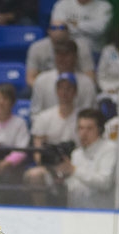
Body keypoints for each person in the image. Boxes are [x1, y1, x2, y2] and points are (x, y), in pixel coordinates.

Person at [24, 71, 80, 207]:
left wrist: (70, 167)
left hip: (76, 166)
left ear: (75, 92)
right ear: (56, 91)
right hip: (49, 166)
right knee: (34, 175)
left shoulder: (82, 117)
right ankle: (41, 211)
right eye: (61, 88)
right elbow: (38, 153)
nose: (65, 92)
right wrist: (54, 168)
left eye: (69, 88)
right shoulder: (44, 117)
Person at [58, 107, 117, 209]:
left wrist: (74, 170)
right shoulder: (76, 153)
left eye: (89, 128)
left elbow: (104, 182)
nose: (84, 133)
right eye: (81, 128)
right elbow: (74, 185)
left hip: (102, 215)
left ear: (100, 130)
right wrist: (62, 179)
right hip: (75, 214)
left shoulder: (110, 149)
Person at [28, 39, 95, 118]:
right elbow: (35, 113)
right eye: (58, 54)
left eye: (66, 54)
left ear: (75, 57)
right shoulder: (41, 80)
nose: (62, 59)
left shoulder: (87, 83)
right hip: (47, 127)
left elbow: (90, 115)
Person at [24, 18, 94, 89]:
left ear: (68, 31)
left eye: (61, 27)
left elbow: (90, 77)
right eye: (53, 28)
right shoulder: (36, 48)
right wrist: (47, 90)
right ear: (49, 31)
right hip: (45, 87)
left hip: (75, 87)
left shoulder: (82, 47)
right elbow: (30, 79)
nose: (58, 31)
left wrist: (71, 90)